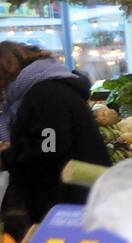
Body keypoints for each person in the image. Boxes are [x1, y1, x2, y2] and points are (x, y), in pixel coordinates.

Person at [0, 43, 111, 226]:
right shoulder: (45, 89)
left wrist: (7, 157)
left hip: (72, 204)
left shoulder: (46, 96)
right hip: (77, 198)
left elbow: (48, 149)